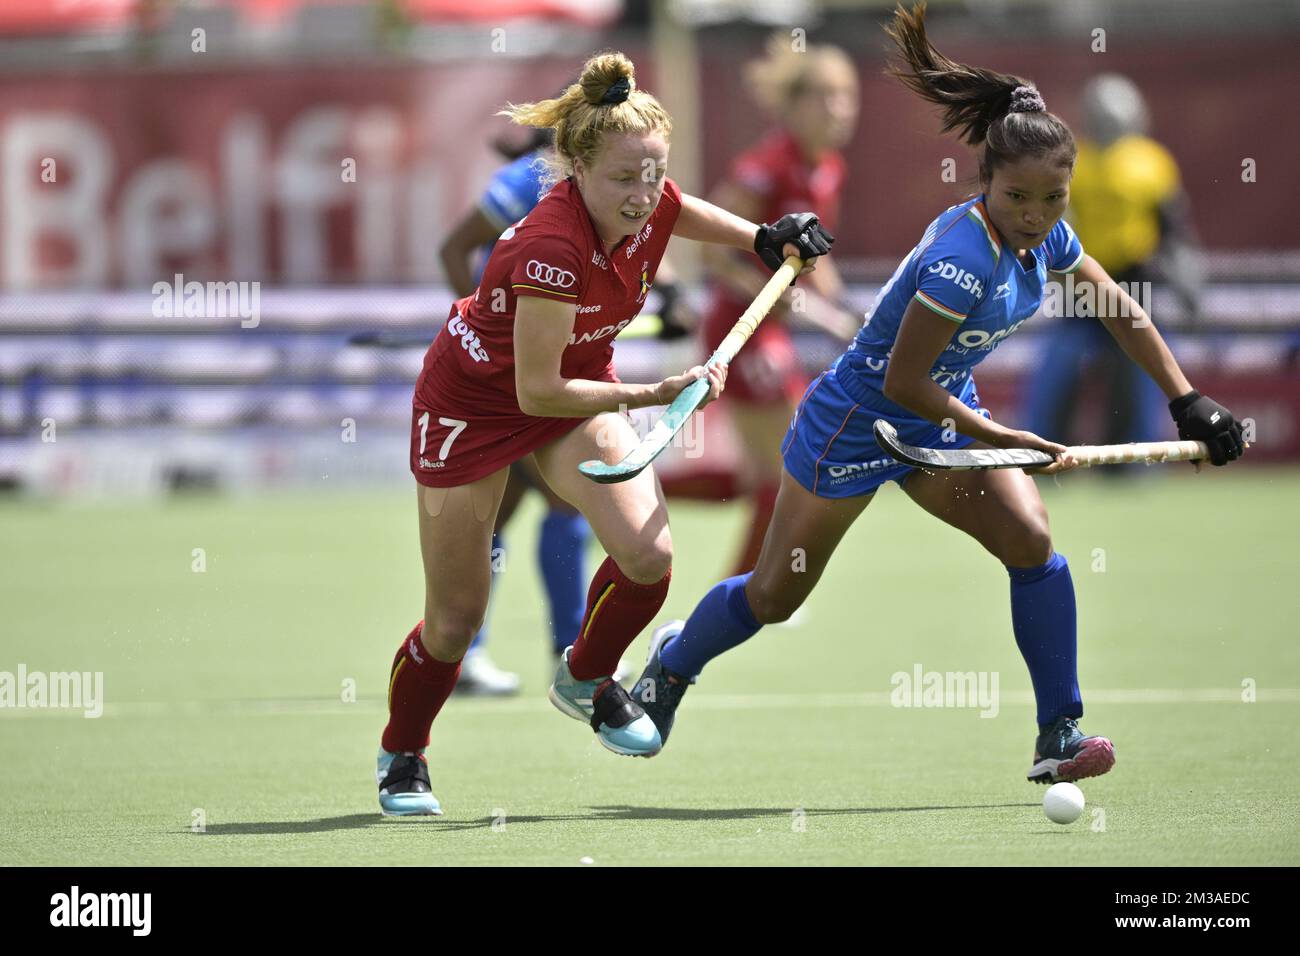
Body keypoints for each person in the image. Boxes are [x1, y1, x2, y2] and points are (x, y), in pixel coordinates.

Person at [629, 3, 1244, 785]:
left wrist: (1188, 400)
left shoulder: (1050, 233)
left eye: (1052, 199)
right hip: (857, 422)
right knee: (777, 594)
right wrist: (1003, 438)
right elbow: (901, 382)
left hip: (938, 416)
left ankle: (1059, 733)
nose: (1035, 217)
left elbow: (1119, 310)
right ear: (986, 180)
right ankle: (671, 667)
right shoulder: (962, 259)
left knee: (1031, 541)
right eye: (1018, 198)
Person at [376, 51, 833, 815]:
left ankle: (585, 674)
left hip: (572, 394)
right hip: (476, 408)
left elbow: (677, 207)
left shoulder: (647, 198)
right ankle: (403, 753)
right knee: (455, 620)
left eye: (652, 174)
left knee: (648, 557)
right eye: (624, 179)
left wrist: (761, 236)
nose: (642, 195)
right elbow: (537, 389)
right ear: (575, 169)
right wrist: (656, 390)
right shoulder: (549, 249)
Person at [700, 34, 862, 575]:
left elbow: (817, 257)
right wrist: (770, 298)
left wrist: (842, 309)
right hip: (739, 329)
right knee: (788, 466)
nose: (838, 109)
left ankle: (635, 491)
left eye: (847, 96)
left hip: (771, 332)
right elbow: (714, 255)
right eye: (824, 96)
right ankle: (742, 592)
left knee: (765, 474)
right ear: (792, 106)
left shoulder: (829, 167)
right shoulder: (767, 164)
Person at [1022, 73, 1202, 456]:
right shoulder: (1074, 162)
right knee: (1059, 364)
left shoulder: (1153, 163)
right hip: (1083, 284)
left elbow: (1174, 231)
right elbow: (1058, 225)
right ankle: (1041, 452)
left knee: (1138, 373)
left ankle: (1136, 462)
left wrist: (1189, 282)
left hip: (1136, 282)